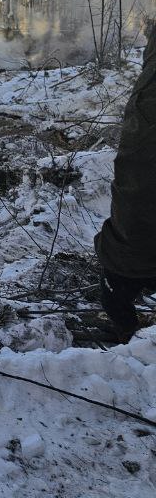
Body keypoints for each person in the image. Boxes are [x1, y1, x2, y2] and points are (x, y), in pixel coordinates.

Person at [96, 20, 156, 341]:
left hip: (129, 252)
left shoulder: (149, 93)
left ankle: (127, 335)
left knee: (115, 291)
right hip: (130, 244)